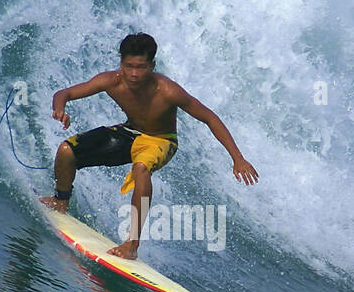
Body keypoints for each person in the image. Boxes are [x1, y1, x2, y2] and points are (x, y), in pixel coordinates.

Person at [39, 33, 259, 259]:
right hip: (130, 133)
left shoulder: (168, 91)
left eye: (141, 67)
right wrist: (60, 109)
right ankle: (61, 201)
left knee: (141, 168)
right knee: (67, 150)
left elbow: (209, 117)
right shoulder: (111, 81)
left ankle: (132, 244)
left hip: (161, 140)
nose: (134, 74)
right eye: (129, 66)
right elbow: (64, 93)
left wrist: (238, 159)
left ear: (152, 65)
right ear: (121, 63)